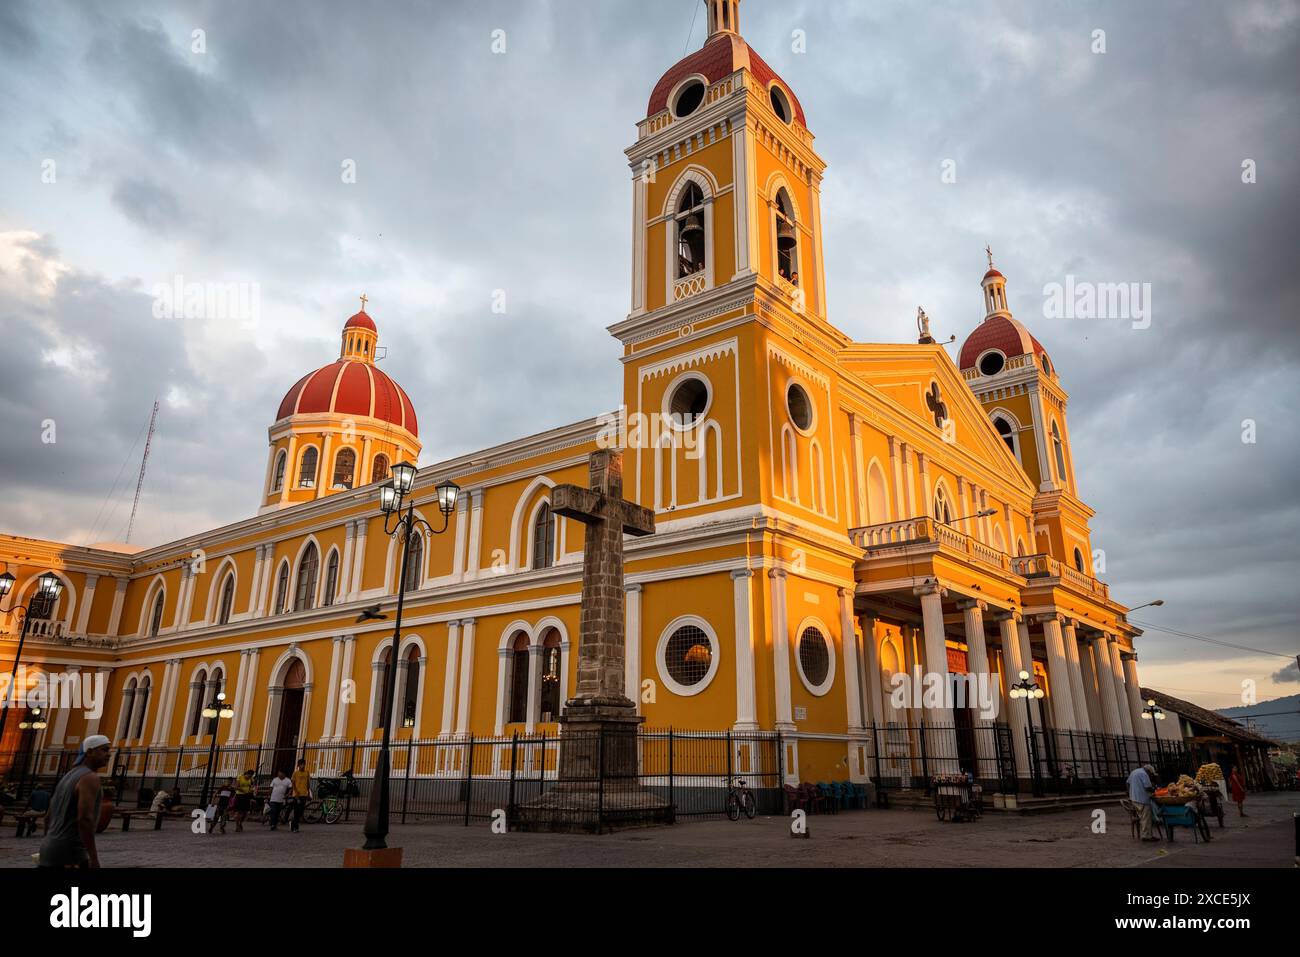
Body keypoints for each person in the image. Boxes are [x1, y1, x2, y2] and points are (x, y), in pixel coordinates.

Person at [38, 734, 111, 868]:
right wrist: (93, 857)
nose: (109, 754)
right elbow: (84, 818)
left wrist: (49, 842)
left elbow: (48, 817)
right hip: (71, 852)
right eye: (104, 750)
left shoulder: (68, 776)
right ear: (89, 752)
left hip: (49, 849)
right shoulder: (90, 778)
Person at [1126, 763, 1158, 841]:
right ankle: (1147, 836)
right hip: (1142, 799)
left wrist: (1129, 793)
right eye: (1151, 774)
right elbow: (1148, 788)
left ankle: (1147, 834)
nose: (1151, 776)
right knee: (1146, 818)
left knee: (1143, 817)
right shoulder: (1144, 774)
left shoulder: (1134, 772)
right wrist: (1154, 789)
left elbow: (1127, 783)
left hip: (1134, 798)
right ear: (1149, 771)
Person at [290, 760, 311, 833]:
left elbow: (308, 783)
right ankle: (296, 827)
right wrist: (296, 794)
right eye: (301, 764)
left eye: (304, 764)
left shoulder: (307, 773)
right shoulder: (295, 773)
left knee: (301, 811)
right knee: (296, 811)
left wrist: (308, 793)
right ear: (298, 765)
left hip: (304, 794)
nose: (303, 766)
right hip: (297, 795)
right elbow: (293, 784)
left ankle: (293, 822)